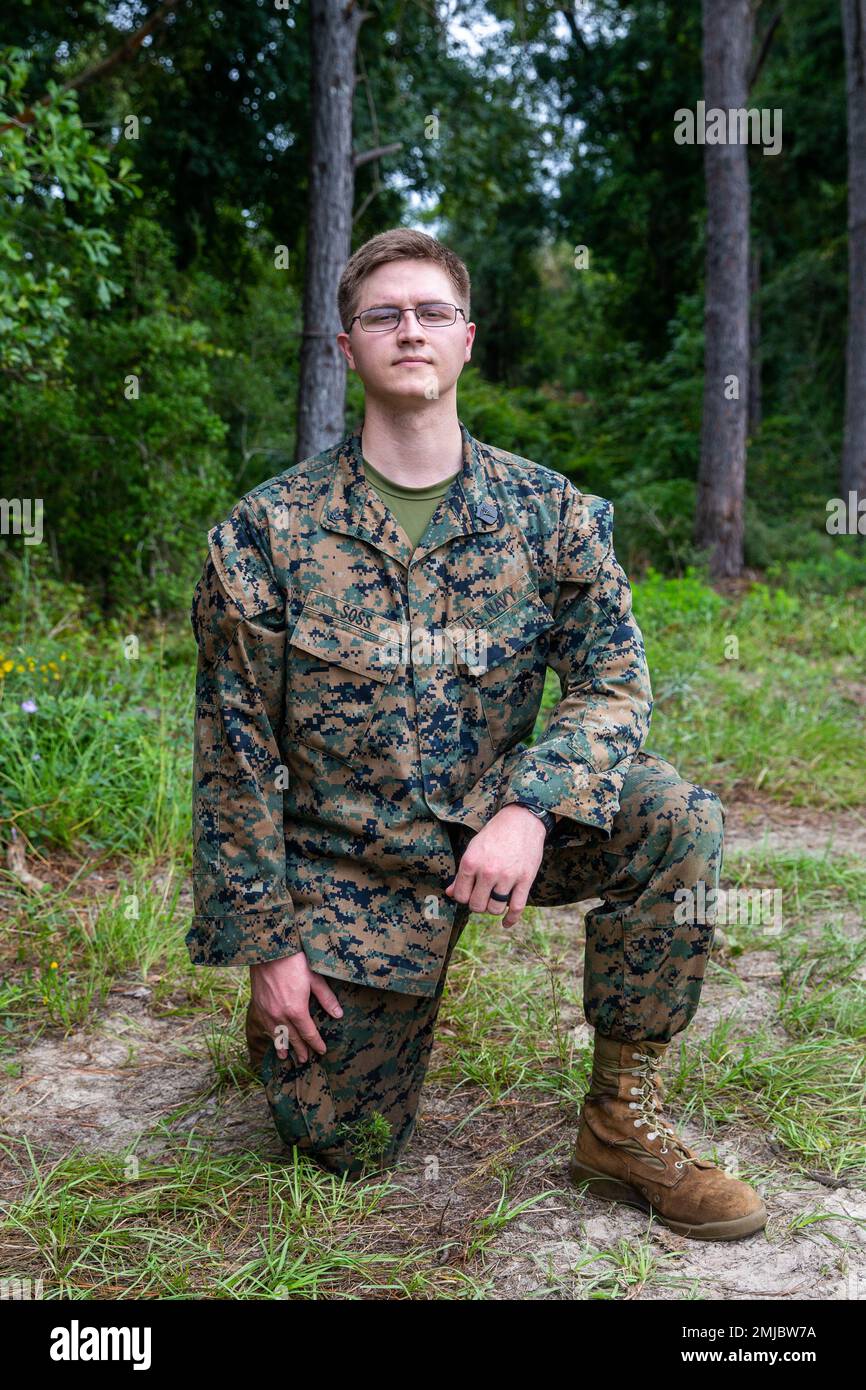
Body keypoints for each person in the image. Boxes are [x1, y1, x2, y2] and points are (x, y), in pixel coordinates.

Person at [187, 227, 767, 1242]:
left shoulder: (548, 515)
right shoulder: (265, 535)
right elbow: (233, 756)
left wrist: (531, 803)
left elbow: (612, 685)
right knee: (342, 1147)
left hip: (496, 830)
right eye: (383, 314)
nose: (408, 329)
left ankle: (621, 1123)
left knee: (673, 815)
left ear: (466, 341)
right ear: (345, 347)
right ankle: (302, 1010)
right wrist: (267, 947)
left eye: (431, 312)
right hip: (349, 861)